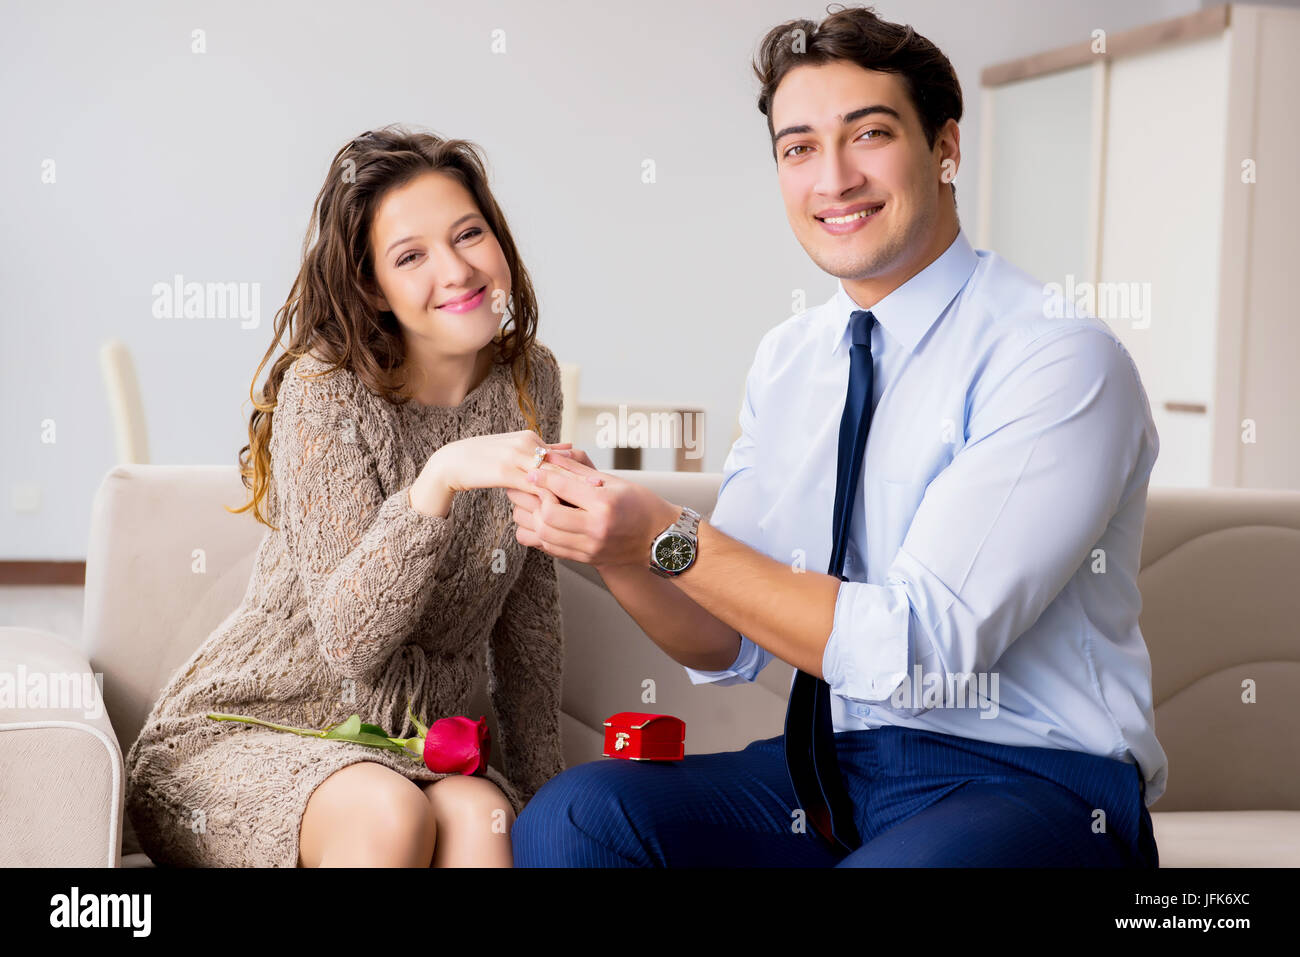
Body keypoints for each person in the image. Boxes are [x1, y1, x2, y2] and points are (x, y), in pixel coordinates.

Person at [507, 6, 1165, 867]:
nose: (835, 178)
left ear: (946, 147)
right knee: (578, 818)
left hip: (1037, 783)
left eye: (871, 134)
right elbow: (724, 635)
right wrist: (612, 543)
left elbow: (919, 653)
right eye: (800, 148)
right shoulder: (791, 358)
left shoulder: (1055, 358)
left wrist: (666, 531)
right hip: (833, 771)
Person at [124, 125, 574, 867]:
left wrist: (548, 796)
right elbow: (349, 640)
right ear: (373, 285)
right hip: (253, 732)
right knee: (387, 814)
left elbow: (527, 612)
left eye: (470, 234)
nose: (457, 270)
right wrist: (439, 480)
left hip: (409, 745)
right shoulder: (325, 390)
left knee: (485, 818)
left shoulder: (532, 380)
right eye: (411, 255)